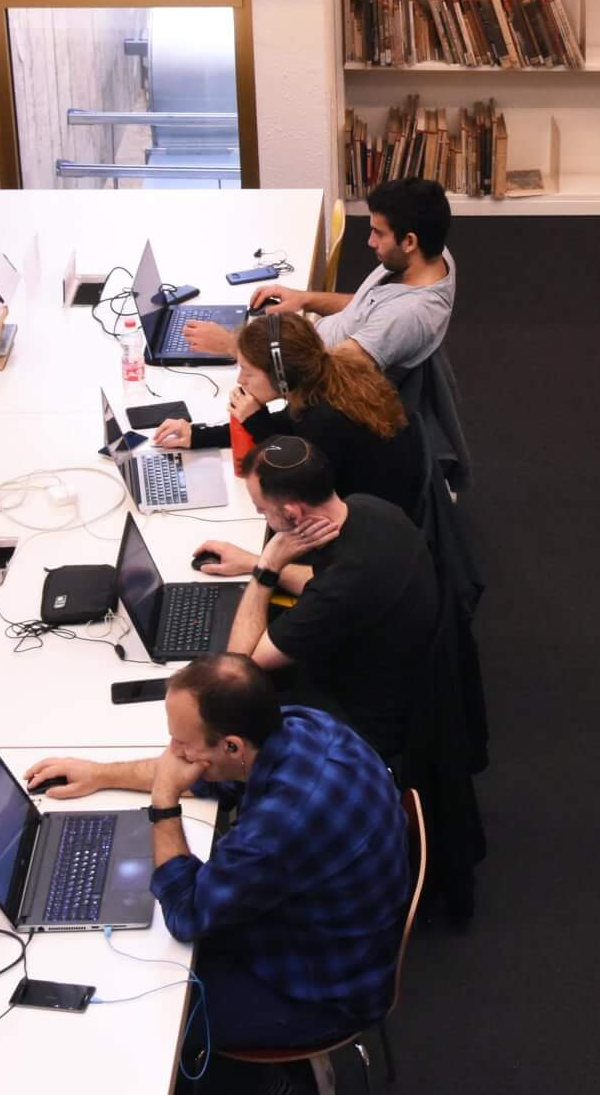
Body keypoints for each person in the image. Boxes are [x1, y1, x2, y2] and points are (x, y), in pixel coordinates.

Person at [21, 654, 408, 1084]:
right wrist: (100, 774)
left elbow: (186, 914)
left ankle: (267, 1086)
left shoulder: (280, 826)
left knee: (143, 1013)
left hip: (321, 994)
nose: (173, 753)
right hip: (335, 933)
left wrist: (164, 802)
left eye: (181, 743)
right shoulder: (298, 726)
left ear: (231, 747)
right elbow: (205, 775)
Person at [195, 438, 436, 767]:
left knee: (216, 725)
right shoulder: (369, 509)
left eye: (262, 510)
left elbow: (240, 666)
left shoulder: (344, 588)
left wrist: (266, 568)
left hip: (355, 719)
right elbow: (319, 581)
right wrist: (250, 561)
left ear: (292, 512)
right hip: (396, 678)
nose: (261, 515)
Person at [155, 311, 427, 511]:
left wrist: (256, 421)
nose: (240, 380)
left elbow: (295, 479)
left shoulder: (326, 419)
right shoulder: (325, 375)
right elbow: (285, 426)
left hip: (365, 527)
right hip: (384, 501)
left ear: (281, 377)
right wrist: (197, 435)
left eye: (248, 372)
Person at [187, 178, 455, 376]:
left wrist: (233, 346)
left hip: (303, 371)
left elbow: (320, 369)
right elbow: (366, 306)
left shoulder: (406, 316)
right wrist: (304, 299)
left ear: (409, 241)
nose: (370, 241)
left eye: (379, 233)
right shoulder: (432, 255)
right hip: (308, 343)